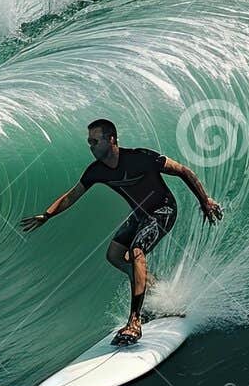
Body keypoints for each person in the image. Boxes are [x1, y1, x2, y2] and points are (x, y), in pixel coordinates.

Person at [20, 118, 223, 345]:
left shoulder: (140, 157)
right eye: (89, 142)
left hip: (163, 209)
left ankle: (134, 320)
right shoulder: (96, 171)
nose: (91, 147)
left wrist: (205, 201)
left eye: (95, 141)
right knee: (114, 256)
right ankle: (157, 293)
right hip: (139, 215)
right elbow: (71, 195)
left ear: (111, 140)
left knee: (137, 250)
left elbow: (183, 171)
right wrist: (46, 215)